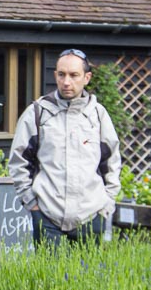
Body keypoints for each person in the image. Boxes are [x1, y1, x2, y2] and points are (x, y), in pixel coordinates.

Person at [7, 49, 122, 245]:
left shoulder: (98, 115)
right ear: (55, 75)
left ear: (87, 78)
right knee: (50, 267)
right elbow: (19, 161)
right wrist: (32, 203)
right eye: (61, 74)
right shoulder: (38, 112)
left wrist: (107, 203)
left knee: (90, 267)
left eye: (74, 75)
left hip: (91, 215)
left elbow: (111, 161)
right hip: (48, 215)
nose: (66, 82)